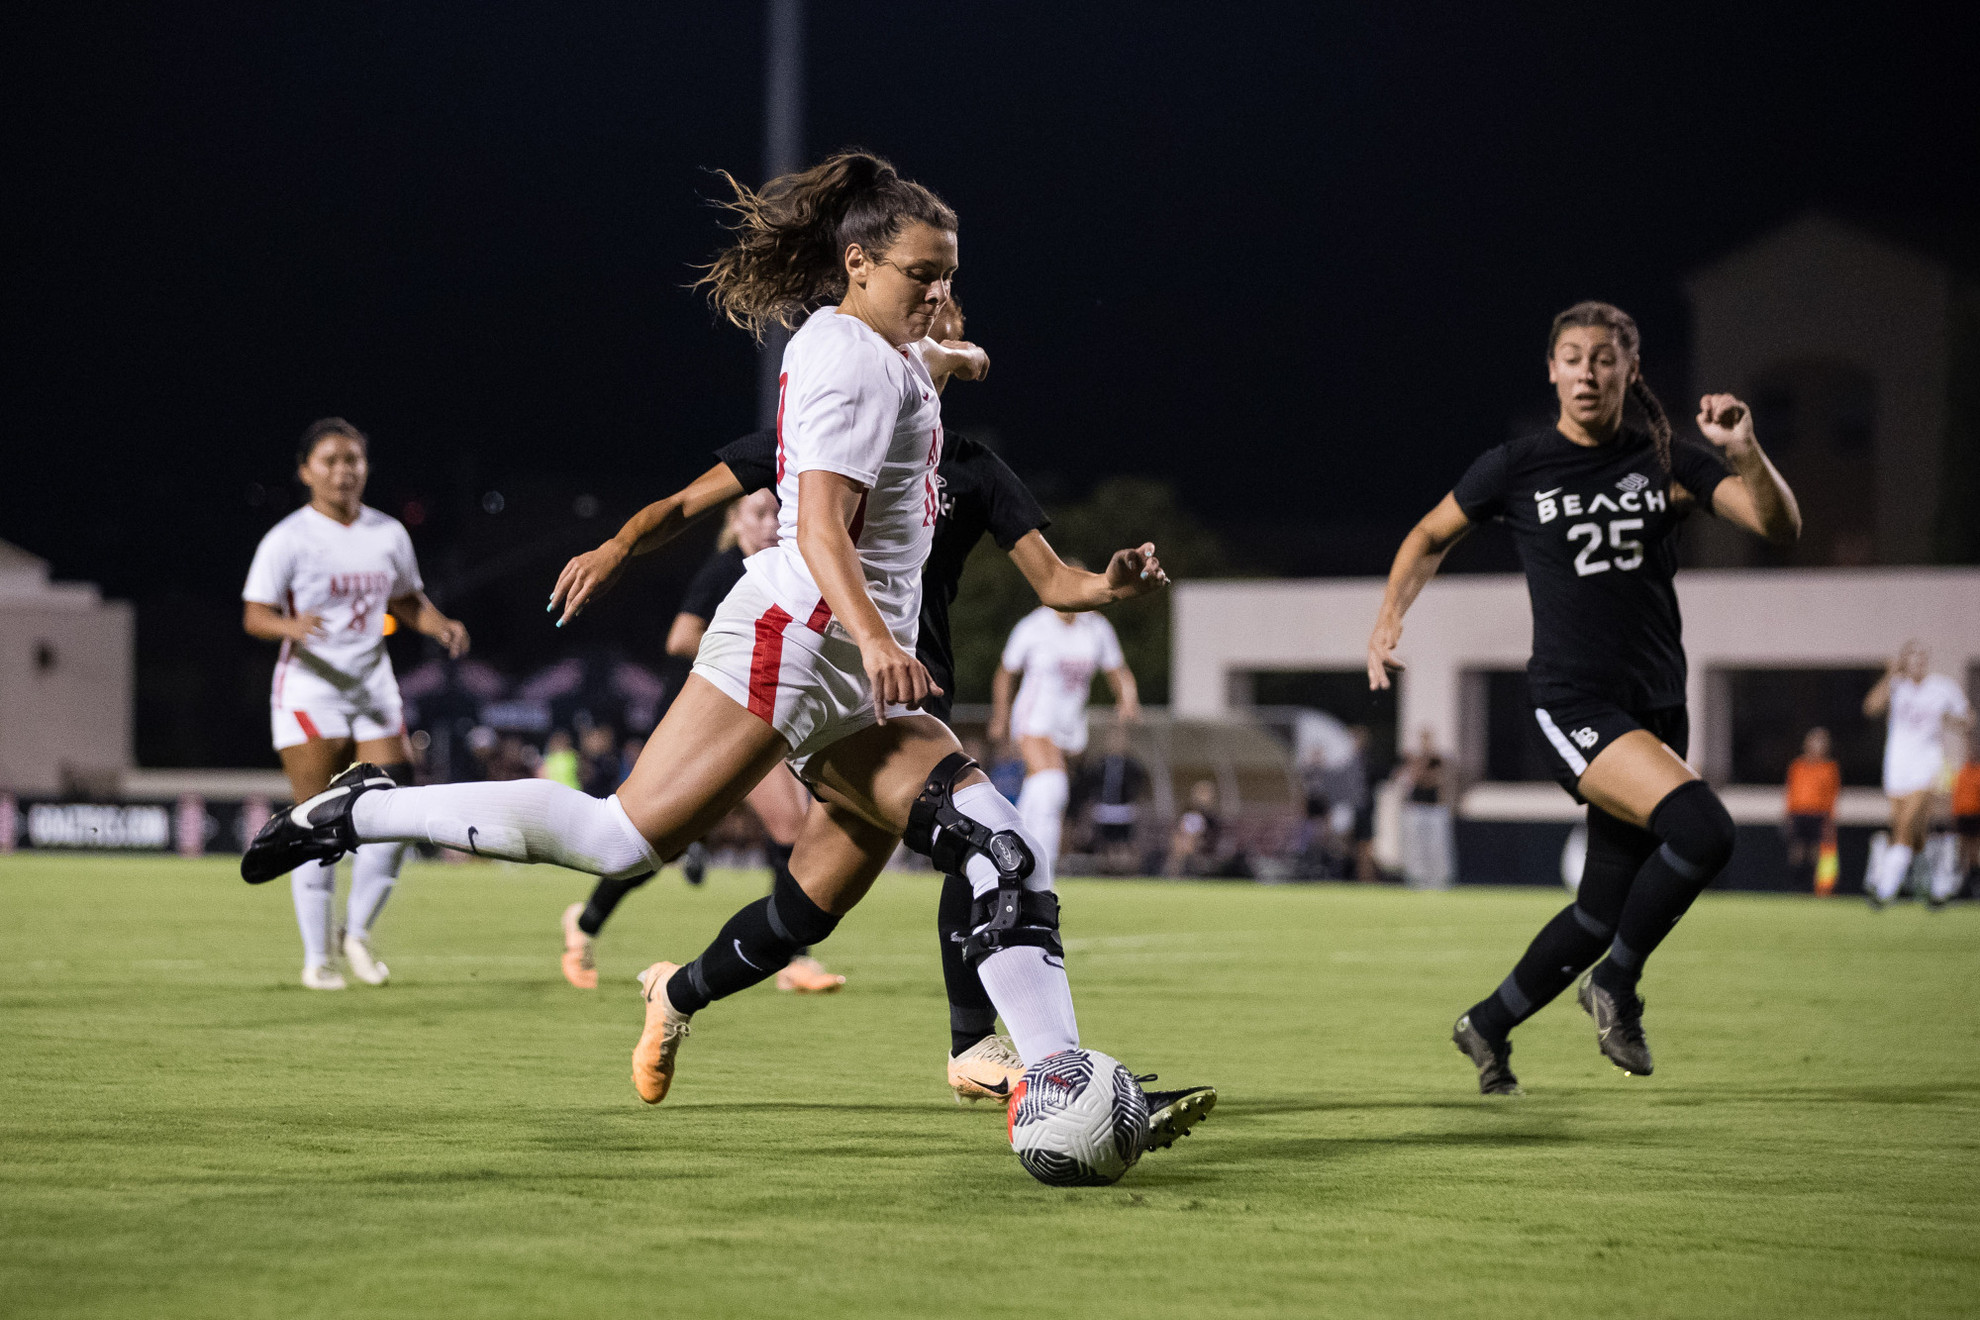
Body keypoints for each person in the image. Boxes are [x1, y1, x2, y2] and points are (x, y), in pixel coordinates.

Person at [243, 152, 1213, 1150]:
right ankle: (368, 808)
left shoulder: (882, 351)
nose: (942, 293)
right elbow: (824, 531)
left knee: (1001, 849)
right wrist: (880, 637)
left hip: (851, 670)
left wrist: (958, 361)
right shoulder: (847, 365)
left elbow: (921, 373)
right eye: (925, 275)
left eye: (953, 275)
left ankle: (1059, 1078)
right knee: (620, 840)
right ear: (860, 263)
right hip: (794, 645)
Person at [544, 295, 1173, 1105]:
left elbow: (1057, 581)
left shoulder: (974, 470)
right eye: (928, 294)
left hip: (912, 699)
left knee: (803, 916)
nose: (938, 310)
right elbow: (683, 505)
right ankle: (990, 1051)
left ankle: (676, 993)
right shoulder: (824, 435)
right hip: (839, 693)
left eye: (951, 301)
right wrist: (619, 544)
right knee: (984, 842)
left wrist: (1110, 586)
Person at [1367, 301, 1800, 1093]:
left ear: (1630, 371)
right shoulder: (1517, 466)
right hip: (1575, 703)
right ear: (1552, 370)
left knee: (1601, 907)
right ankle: (1615, 985)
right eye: (1573, 356)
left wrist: (1746, 453)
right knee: (1704, 831)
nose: (1588, 372)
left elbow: (1777, 525)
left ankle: (1488, 1024)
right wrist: (1388, 617)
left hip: (1657, 705)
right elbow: (1428, 535)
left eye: (1605, 358)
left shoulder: (1668, 460)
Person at [560, 490, 844, 994]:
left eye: (777, 513)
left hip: (752, 719)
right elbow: (679, 638)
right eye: (758, 513)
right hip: (699, 722)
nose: (770, 523)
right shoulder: (725, 569)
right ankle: (583, 924)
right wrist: (746, 641)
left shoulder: (780, 570)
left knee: (789, 828)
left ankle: (793, 957)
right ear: (734, 521)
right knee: (651, 846)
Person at [241, 417, 470, 990]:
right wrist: (292, 625)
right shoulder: (288, 538)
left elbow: (407, 599)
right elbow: (255, 615)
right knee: (316, 823)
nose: (344, 471)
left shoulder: (388, 533)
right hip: (309, 693)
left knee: (392, 817)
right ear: (305, 472)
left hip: (372, 688)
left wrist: (440, 625)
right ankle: (317, 957)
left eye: (354, 460)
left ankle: (357, 935)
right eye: (331, 461)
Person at [988, 589, 1140, 870]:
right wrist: (1001, 715)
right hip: (1033, 718)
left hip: (1069, 725)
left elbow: (1117, 668)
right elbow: (1006, 671)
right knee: (1052, 785)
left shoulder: (1095, 628)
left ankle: (1009, 850)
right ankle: (1042, 869)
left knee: (1039, 790)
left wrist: (1127, 698)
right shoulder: (1034, 626)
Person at [1862, 643, 1972, 909]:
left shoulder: (1942, 688)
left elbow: (1967, 720)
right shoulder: (1897, 685)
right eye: (1912, 657)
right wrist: (1889, 675)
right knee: (1914, 833)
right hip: (1897, 768)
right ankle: (1937, 887)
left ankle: (1885, 889)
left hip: (1927, 766)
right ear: (1904, 661)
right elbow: (1870, 707)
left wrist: (1947, 718)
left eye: (1922, 657)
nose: (1918, 662)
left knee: (1906, 826)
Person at [1783, 727, 1840, 894]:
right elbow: (1790, 791)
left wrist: (1830, 819)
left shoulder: (1829, 768)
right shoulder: (1797, 766)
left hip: (1819, 815)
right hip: (1799, 813)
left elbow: (1832, 795)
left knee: (1817, 853)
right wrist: (1788, 814)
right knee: (1797, 852)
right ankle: (1796, 888)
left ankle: (1817, 888)